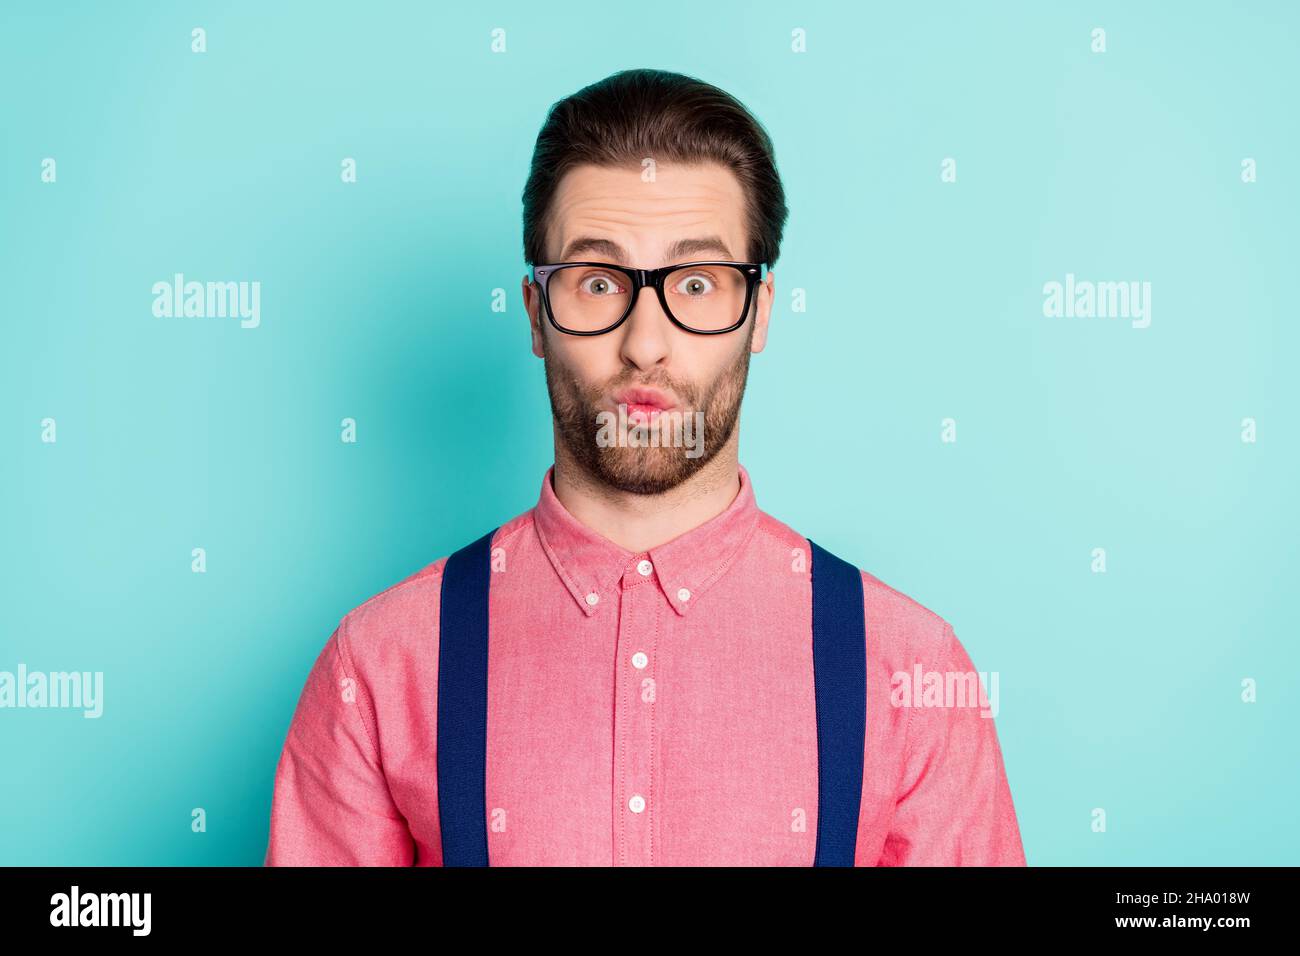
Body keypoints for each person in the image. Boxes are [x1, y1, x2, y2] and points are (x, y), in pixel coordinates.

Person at [265, 68, 1026, 866]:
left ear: (758, 313)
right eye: (598, 283)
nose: (646, 342)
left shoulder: (911, 668)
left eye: (697, 283)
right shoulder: (381, 664)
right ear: (535, 314)